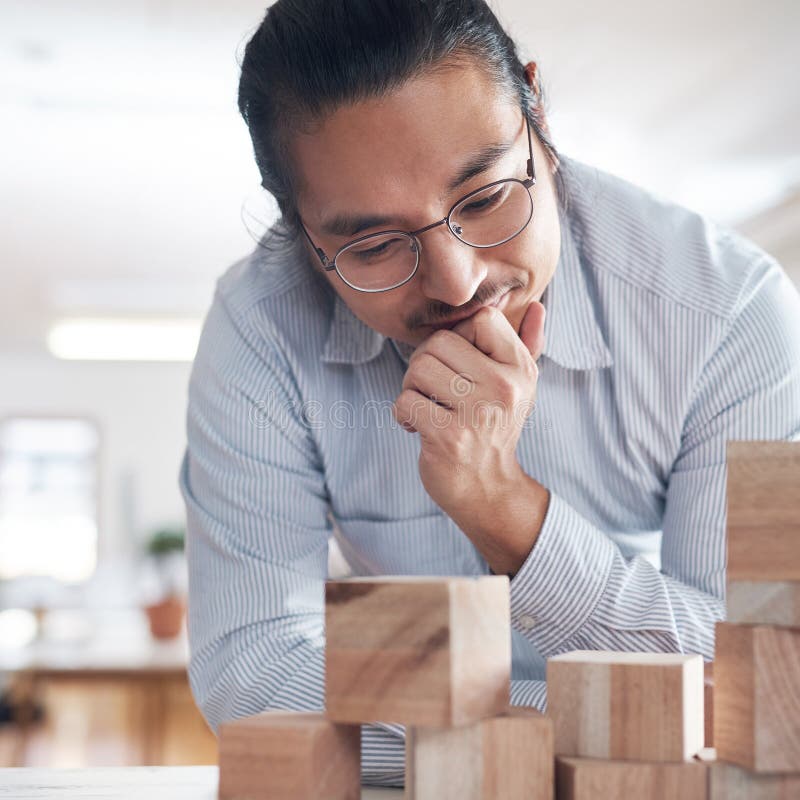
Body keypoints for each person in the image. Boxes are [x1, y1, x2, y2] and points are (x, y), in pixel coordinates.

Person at [178, 0, 800, 787]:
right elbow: (251, 672)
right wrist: (593, 720)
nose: (458, 280)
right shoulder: (259, 326)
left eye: (483, 199)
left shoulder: (724, 310)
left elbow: (754, 678)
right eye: (372, 246)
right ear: (301, 231)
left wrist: (504, 508)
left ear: (536, 109)